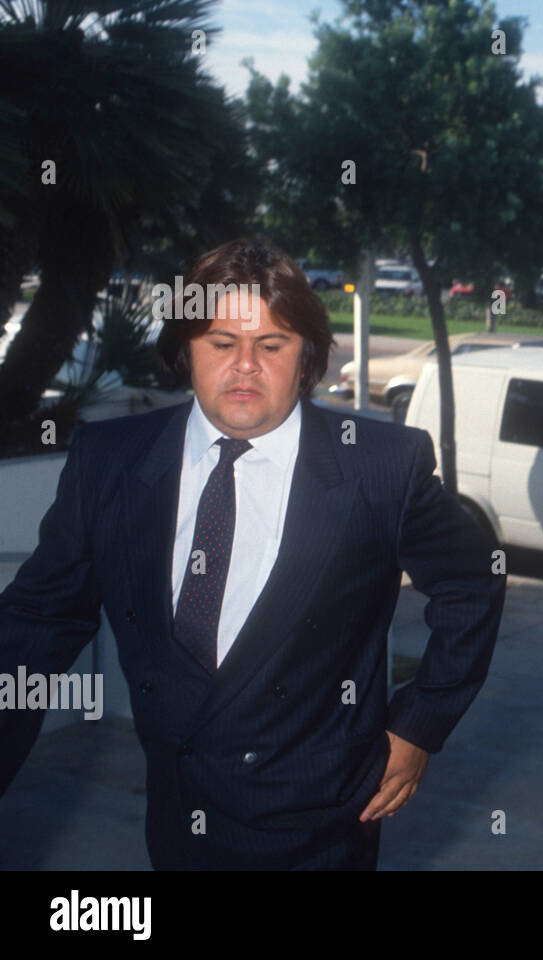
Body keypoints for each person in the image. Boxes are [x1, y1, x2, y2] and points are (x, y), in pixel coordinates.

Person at [0, 237, 504, 869]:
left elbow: (474, 582)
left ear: (308, 358)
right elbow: (38, 623)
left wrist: (420, 722)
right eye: (221, 344)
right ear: (186, 350)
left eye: (271, 345)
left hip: (319, 827)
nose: (244, 367)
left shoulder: (380, 468)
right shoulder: (110, 460)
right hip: (178, 821)